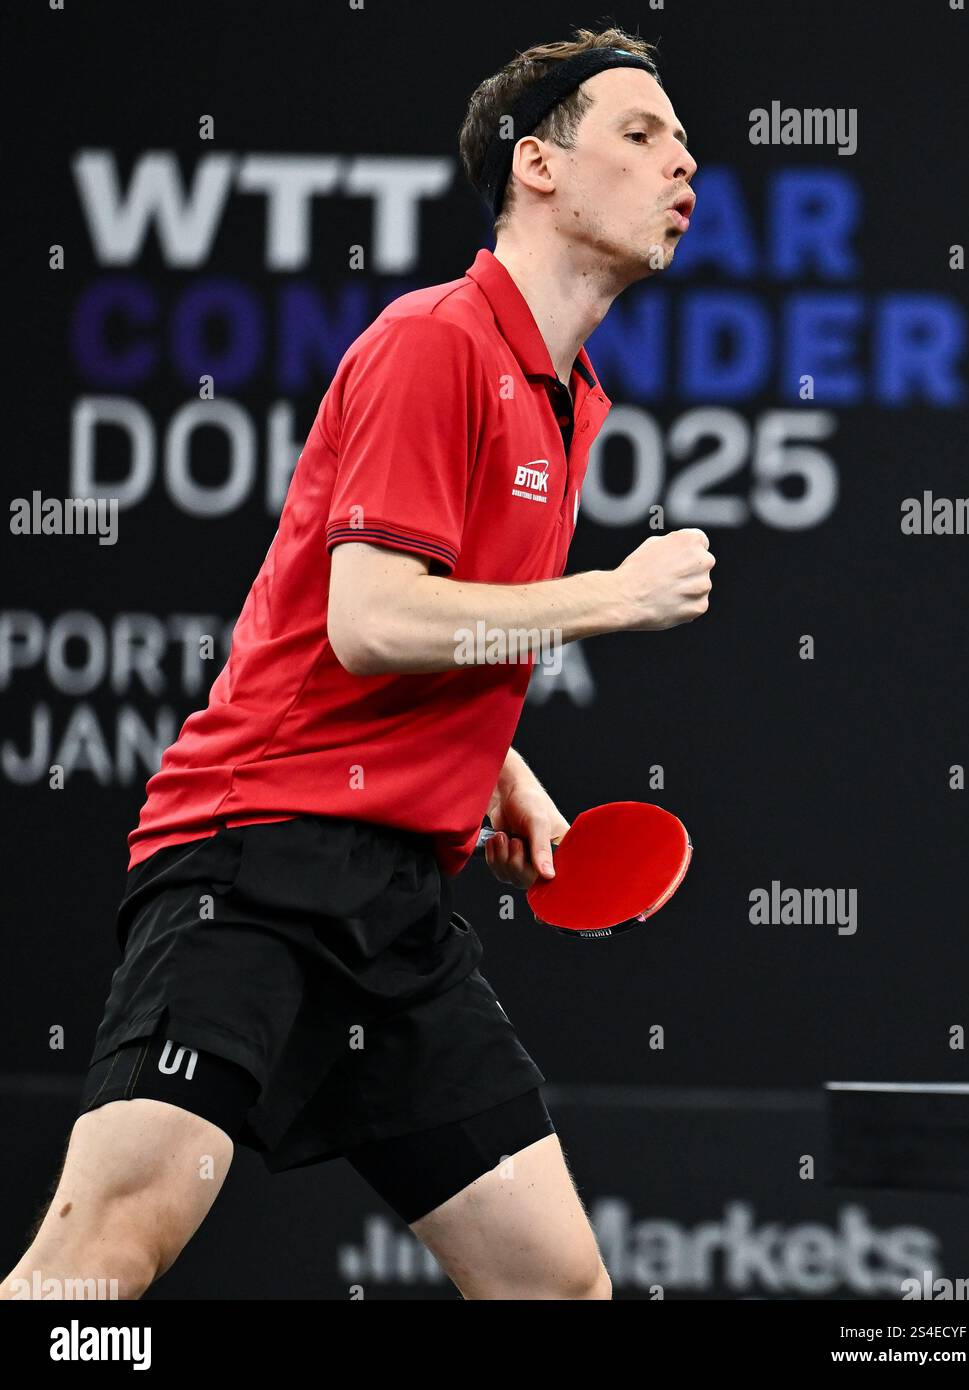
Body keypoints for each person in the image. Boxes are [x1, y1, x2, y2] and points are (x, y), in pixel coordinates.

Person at [2, 24, 711, 1302]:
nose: (685, 161)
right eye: (642, 132)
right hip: (254, 865)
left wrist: (495, 756)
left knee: (559, 1288)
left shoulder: (565, 393)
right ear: (534, 167)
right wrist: (609, 596)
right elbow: (368, 620)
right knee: (96, 1266)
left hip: (396, 909)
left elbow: (436, 618)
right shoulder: (432, 340)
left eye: (682, 142)